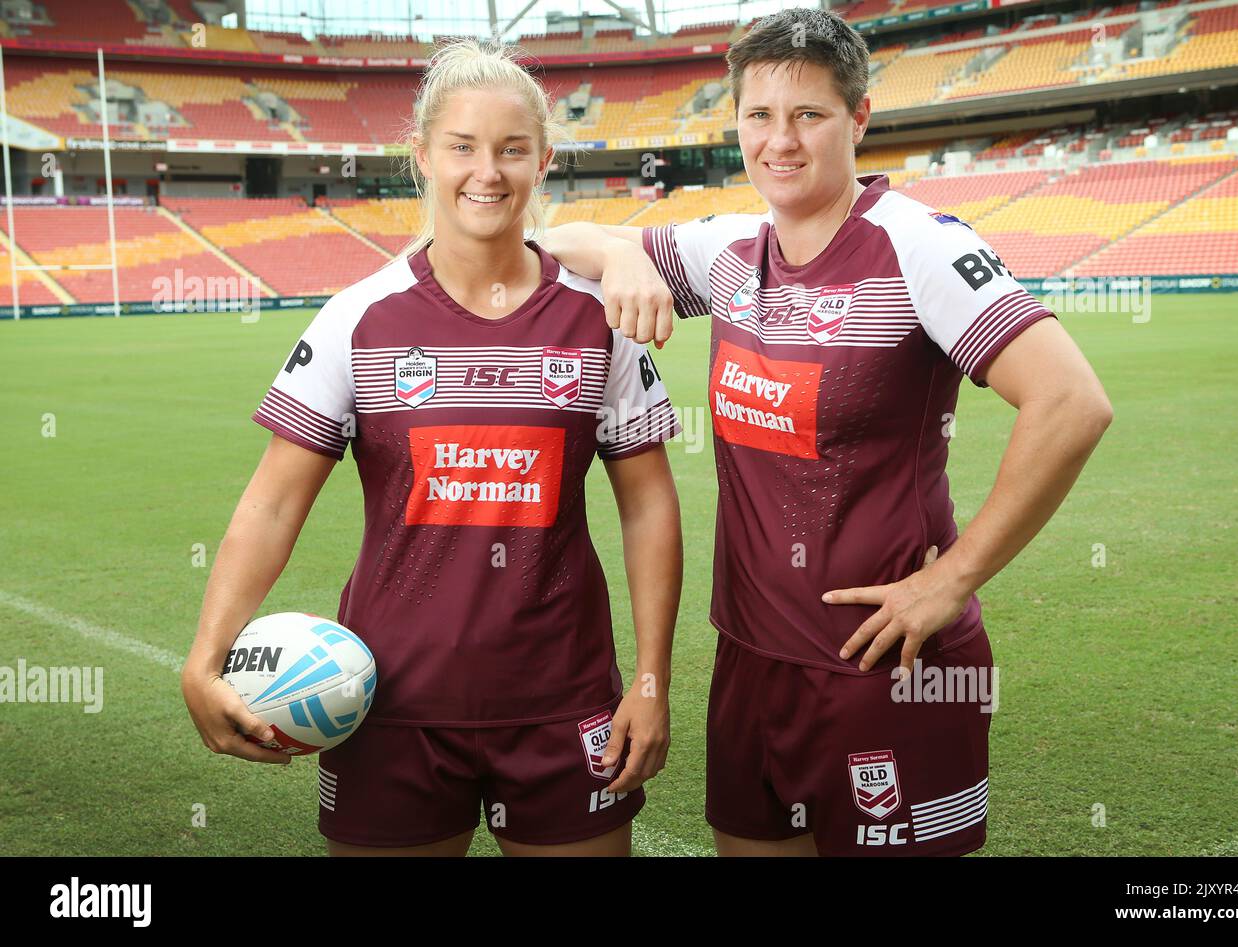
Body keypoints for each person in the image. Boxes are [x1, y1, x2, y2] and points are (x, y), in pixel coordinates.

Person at [541, 8, 1112, 856]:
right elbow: (552, 241)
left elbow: (1071, 400)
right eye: (759, 116)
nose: (781, 140)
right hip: (749, 658)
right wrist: (624, 255)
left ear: (860, 118)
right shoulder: (729, 247)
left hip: (888, 664)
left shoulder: (916, 246)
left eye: (808, 114)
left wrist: (951, 578)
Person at [181, 40, 683, 857]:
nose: (487, 171)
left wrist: (652, 678)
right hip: (388, 703)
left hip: (564, 700)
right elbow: (273, 502)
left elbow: (650, 502)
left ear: (543, 161)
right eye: (462, 146)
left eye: (512, 149)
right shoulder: (357, 317)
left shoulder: (598, 318)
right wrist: (205, 656)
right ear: (422, 156)